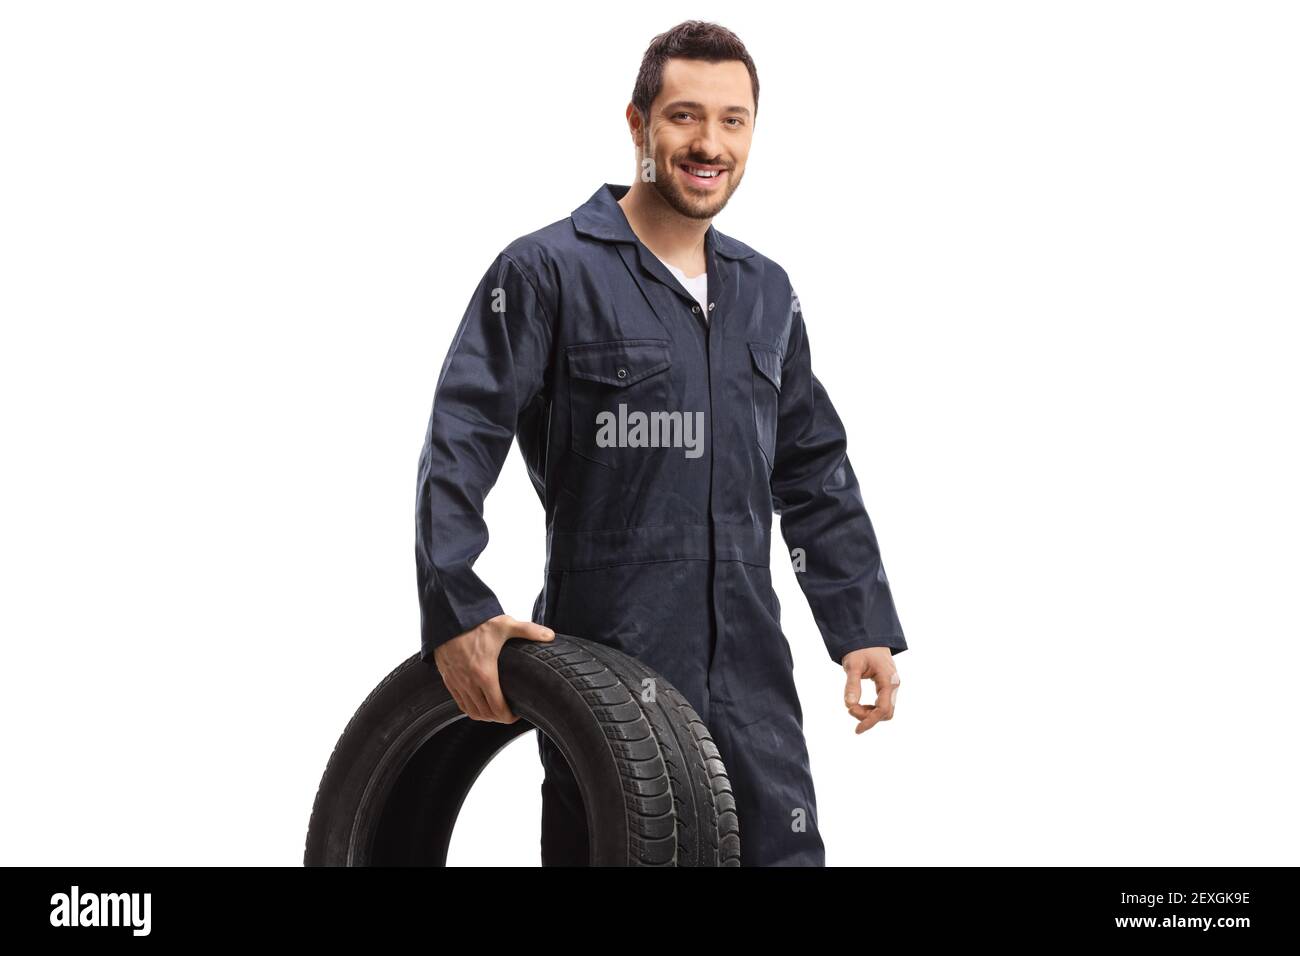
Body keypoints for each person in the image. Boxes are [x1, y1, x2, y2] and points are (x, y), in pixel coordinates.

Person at [415, 20, 907, 866]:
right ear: (639, 124)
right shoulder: (548, 272)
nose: (708, 143)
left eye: (732, 119)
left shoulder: (766, 290)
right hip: (610, 662)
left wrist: (858, 621)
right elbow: (460, 439)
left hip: (753, 669)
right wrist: (457, 609)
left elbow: (811, 465)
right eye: (684, 116)